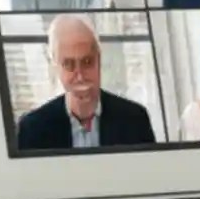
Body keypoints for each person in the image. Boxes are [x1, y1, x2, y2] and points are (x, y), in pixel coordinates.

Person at [16, 14, 156, 150]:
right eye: (69, 64)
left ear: (99, 59)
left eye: (87, 62)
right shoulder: (32, 130)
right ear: (55, 67)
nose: (80, 75)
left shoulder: (135, 120)